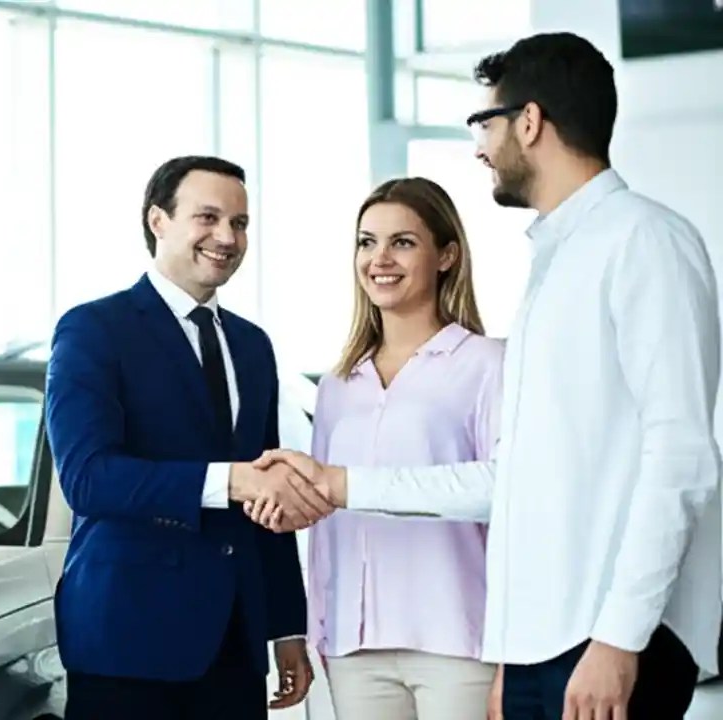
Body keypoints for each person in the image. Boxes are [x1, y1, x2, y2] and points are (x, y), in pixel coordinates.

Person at [252, 31, 722, 720]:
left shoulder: (642, 240)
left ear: (528, 122)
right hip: (549, 642)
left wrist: (618, 640)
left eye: (484, 122)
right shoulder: (558, 260)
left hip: (607, 641)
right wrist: (512, 653)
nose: (478, 146)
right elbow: (525, 486)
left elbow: (681, 456)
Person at [44, 155, 329, 719]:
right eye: (208, 217)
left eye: (240, 223)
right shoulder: (95, 329)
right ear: (158, 221)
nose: (226, 237)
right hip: (128, 639)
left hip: (234, 640)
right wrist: (230, 481)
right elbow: (88, 478)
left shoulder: (251, 345)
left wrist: (286, 626)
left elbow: (264, 490)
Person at [303, 177, 504, 719]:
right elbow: (324, 526)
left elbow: (510, 507)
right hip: (354, 650)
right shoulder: (337, 385)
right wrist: (317, 629)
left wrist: (512, 652)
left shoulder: (489, 364)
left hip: (459, 644)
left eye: (403, 242)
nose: (379, 258)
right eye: (366, 242)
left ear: (447, 255)